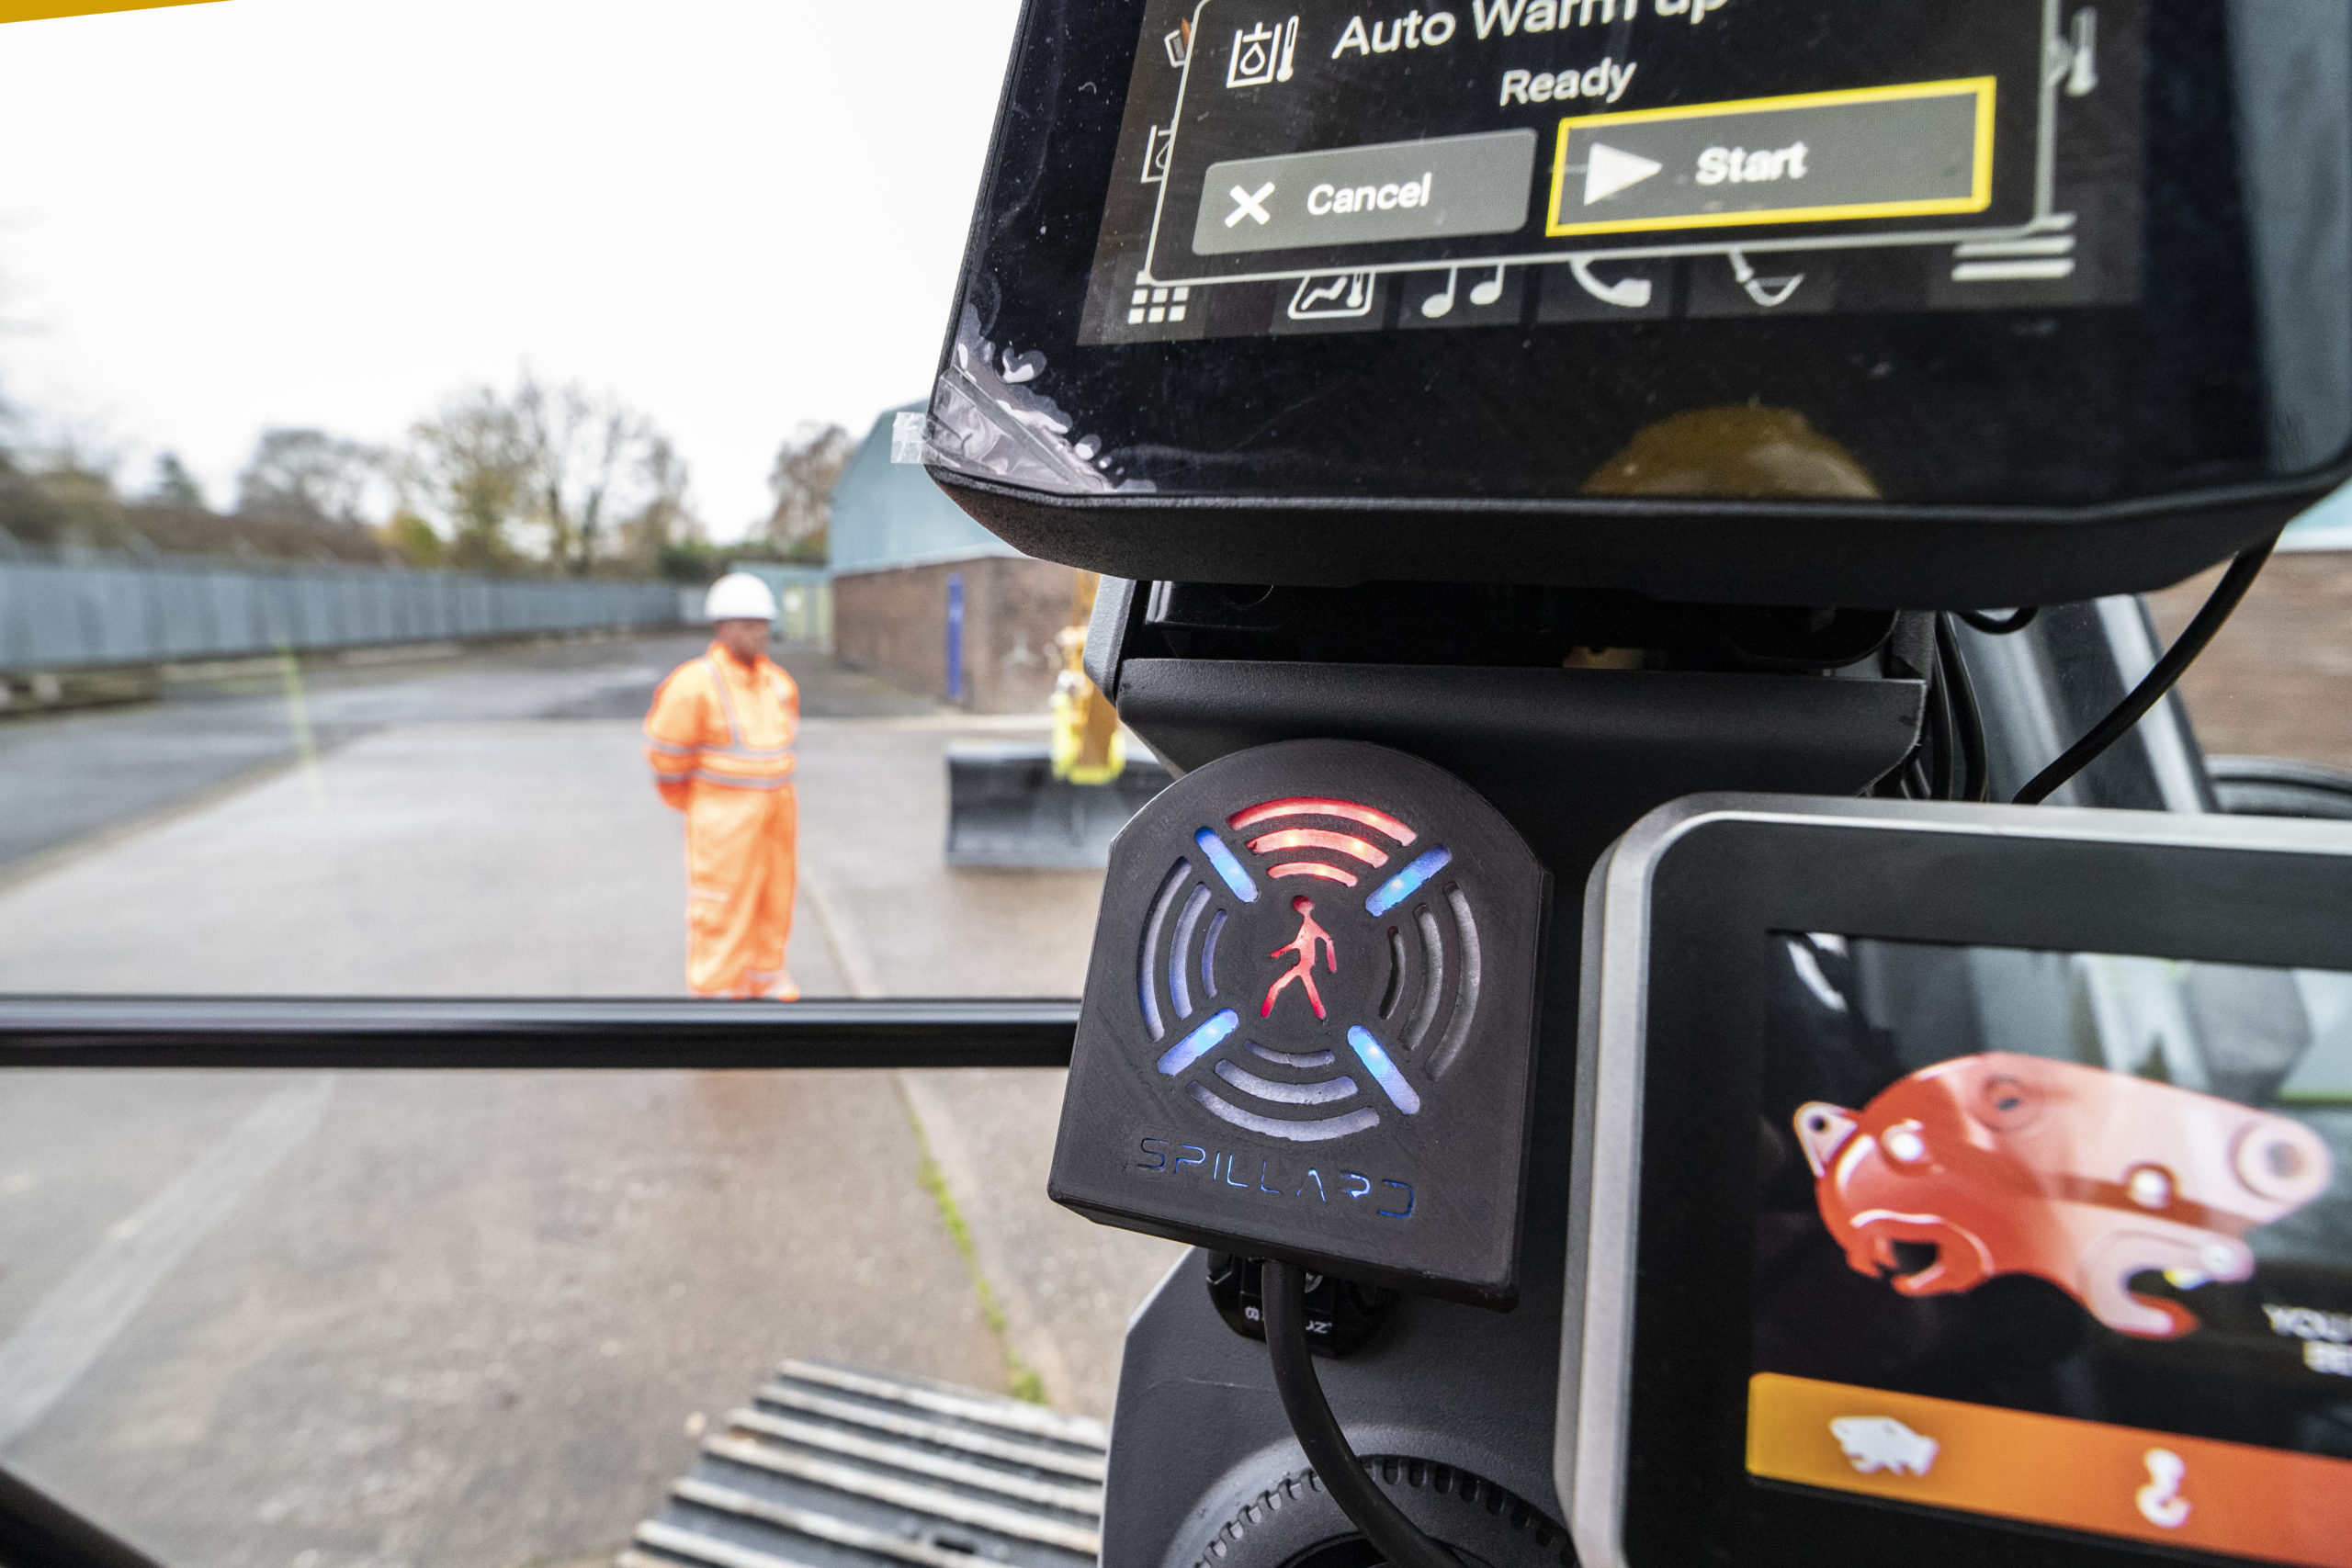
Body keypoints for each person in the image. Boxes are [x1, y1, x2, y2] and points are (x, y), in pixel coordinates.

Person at [643, 573, 802, 1000]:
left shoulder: (778, 683)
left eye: (764, 622)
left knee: (775, 898)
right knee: (721, 905)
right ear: (722, 626)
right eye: (749, 622)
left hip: (776, 818)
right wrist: (699, 807)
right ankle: (716, 996)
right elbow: (666, 760)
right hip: (722, 823)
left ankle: (765, 980)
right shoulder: (693, 684)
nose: (760, 631)